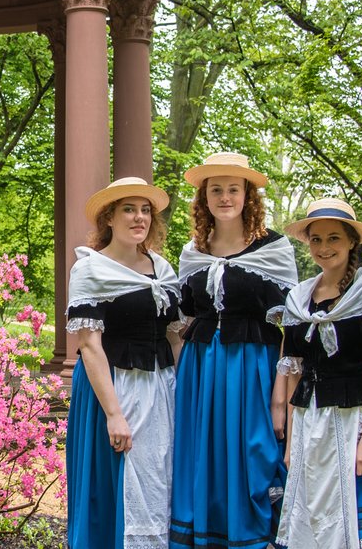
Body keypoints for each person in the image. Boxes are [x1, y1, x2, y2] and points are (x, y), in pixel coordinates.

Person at [170, 153, 299, 549]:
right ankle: (204, 534)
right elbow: (183, 320)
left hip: (253, 365)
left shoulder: (275, 248)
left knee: (253, 450)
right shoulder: (193, 251)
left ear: (248, 196)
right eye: (216, 190)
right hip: (200, 367)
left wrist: (281, 398)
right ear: (204, 198)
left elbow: (290, 327)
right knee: (202, 452)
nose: (225, 197)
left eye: (233, 189)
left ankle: (250, 536)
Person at [271, 197, 362, 549]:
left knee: (357, 517)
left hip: (356, 422)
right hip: (309, 423)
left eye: (334, 238)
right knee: (311, 514)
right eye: (316, 239)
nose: (324, 247)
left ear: (351, 242)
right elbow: (295, 371)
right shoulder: (299, 298)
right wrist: (290, 440)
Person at [66, 177, 187, 549]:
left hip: (160, 388)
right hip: (113, 388)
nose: (139, 218)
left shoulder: (162, 269)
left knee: (158, 478)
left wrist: (179, 389)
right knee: (113, 484)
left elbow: (173, 335)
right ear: (109, 218)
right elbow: (89, 346)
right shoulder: (91, 270)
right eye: (129, 210)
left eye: (146, 210)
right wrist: (114, 414)